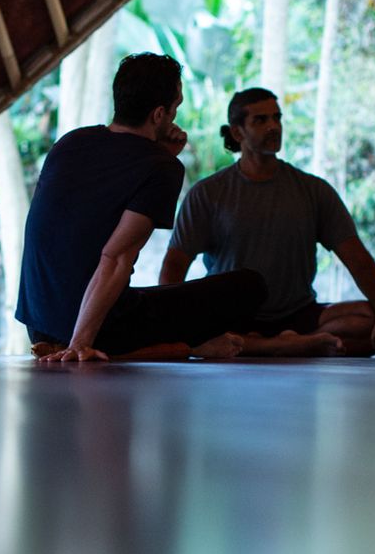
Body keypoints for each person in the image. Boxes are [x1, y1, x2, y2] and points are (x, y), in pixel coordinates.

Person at [16, 52, 265, 364]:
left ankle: (174, 345)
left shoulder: (70, 143)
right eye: (175, 108)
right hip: (95, 329)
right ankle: (189, 348)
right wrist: (79, 345)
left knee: (147, 299)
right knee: (249, 285)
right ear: (159, 114)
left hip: (38, 324)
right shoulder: (160, 168)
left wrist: (160, 154)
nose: (175, 117)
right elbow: (116, 257)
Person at [158, 86, 375, 357]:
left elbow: (356, 257)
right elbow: (175, 262)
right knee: (199, 331)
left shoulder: (313, 190)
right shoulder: (208, 193)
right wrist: (168, 323)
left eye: (277, 118)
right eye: (261, 120)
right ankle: (296, 346)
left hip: (299, 316)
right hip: (231, 318)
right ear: (237, 132)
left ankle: (293, 343)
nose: (273, 127)